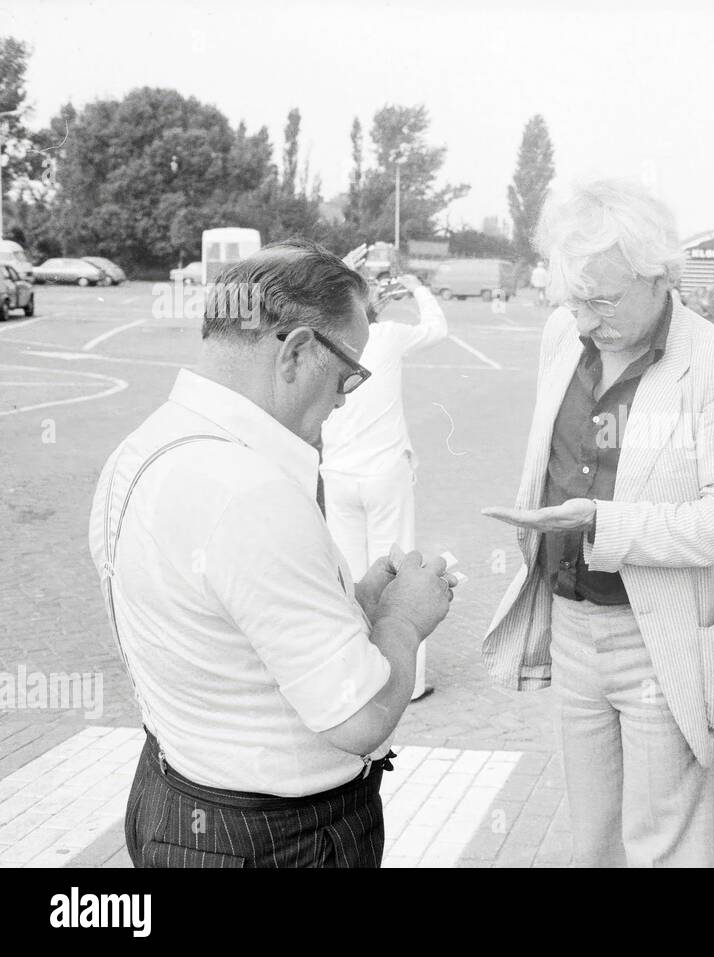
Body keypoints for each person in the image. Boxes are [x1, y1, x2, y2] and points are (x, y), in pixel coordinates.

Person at [88, 239, 457, 868]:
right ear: (296, 353)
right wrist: (404, 620)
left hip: (176, 795)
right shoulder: (252, 494)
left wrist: (355, 606)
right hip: (275, 838)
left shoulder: (141, 448)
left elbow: (227, 632)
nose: (346, 399)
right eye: (349, 375)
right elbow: (361, 718)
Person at [481, 179, 714, 867]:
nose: (583, 320)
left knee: (663, 845)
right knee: (593, 845)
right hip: (574, 628)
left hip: (660, 634)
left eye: (601, 301)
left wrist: (602, 523)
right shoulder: (563, 332)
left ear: (657, 276)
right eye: (573, 300)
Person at [321, 263, 449, 700]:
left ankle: (358, 672)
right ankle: (408, 682)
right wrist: (416, 289)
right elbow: (437, 329)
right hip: (383, 473)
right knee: (398, 571)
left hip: (337, 473)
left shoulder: (324, 340)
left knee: (352, 578)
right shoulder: (389, 335)